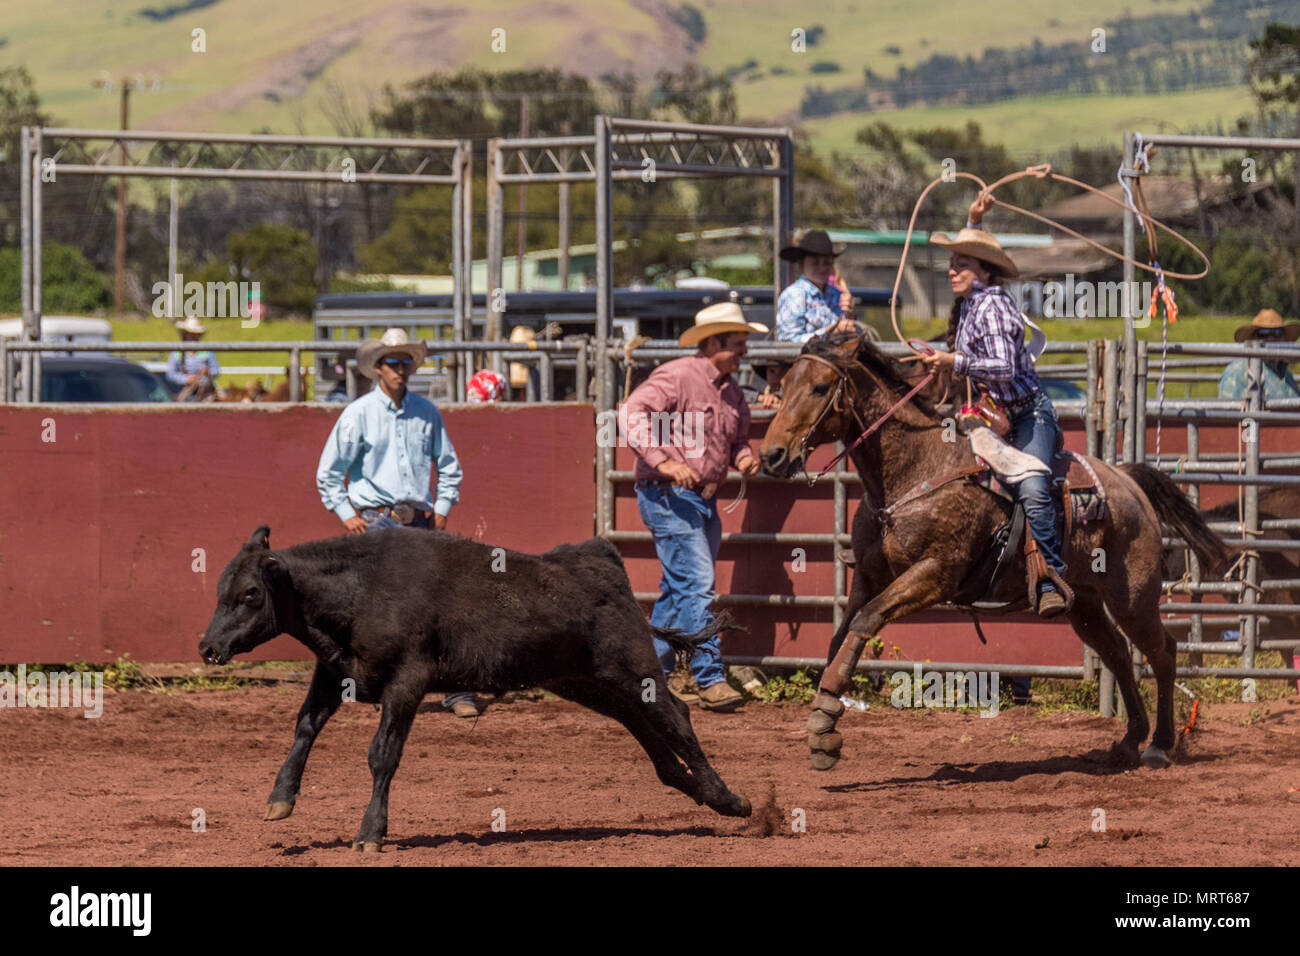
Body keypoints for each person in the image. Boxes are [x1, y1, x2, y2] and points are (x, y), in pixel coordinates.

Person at [316, 328, 482, 718]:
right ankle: (378, 689)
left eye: (406, 362)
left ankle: (456, 689)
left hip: (418, 521)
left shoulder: (427, 412)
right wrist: (348, 515)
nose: (401, 370)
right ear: (378, 369)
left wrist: (442, 506)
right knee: (379, 612)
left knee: (442, 605)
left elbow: (448, 465)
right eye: (393, 363)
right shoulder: (358, 414)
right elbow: (329, 472)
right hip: (375, 521)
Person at [919, 192, 1069, 619]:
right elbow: (977, 253)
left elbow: (1003, 366)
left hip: (1027, 415)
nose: (953, 270)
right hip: (993, 414)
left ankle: (1049, 577)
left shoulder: (994, 305)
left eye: (962, 264)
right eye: (952, 263)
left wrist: (953, 361)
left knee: (1034, 486)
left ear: (983, 272)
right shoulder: (973, 303)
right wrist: (973, 218)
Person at [622, 302, 766, 712]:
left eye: (743, 344)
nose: (744, 352)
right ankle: (710, 677)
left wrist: (742, 459)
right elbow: (632, 412)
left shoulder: (732, 392)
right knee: (698, 585)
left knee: (678, 591)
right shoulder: (679, 375)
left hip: (699, 499)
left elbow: (737, 439)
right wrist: (665, 462)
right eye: (737, 345)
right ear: (712, 344)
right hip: (669, 495)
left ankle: (649, 678)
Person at [775, 229, 859, 344]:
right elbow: (788, 341)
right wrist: (829, 332)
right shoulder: (795, 295)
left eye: (827, 263)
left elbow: (853, 334)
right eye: (815, 263)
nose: (822, 268)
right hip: (806, 359)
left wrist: (850, 315)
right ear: (801, 264)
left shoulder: (837, 294)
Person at [1218, 309, 1300, 401]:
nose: (1271, 339)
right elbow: (1228, 413)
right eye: (1262, 334)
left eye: (1277, 333)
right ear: (1253, 339)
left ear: (1284, 338)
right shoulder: (1237, 373)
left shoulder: (1287, 375)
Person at [166, 316, 220, 401]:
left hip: (205, 392)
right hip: (185, 392)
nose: (193, 337)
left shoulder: (207, 351)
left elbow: (216, 370)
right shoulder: (177, 353)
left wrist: (207, 372)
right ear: (185, 334)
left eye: (195, 334)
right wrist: (186, 379)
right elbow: (171, 374)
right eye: (190, 334)